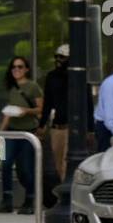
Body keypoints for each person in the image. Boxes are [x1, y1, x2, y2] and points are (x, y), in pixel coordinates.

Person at [0, 55, 43, 215]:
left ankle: (30, 199)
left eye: (20, 67)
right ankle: (7, 199)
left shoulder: (33, 86)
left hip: (27, 133)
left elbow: (40, 109)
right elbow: (8, 112)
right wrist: (0, 133)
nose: (16, 69)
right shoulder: (11, 87)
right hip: (11, 131)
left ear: (27, 69)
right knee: (5, 163)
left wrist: (26, 111)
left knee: (25, 169)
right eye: (14, 67)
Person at [42, 44, 70, 176]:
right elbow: (47, 101)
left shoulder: (78, 76)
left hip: (73, 127)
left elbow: (86, 101)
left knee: (67, 162)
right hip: (57, 126)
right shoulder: (51, 76)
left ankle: (67, 195)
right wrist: (42, 124)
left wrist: (90, 129)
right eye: (57, 57)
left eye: (62, 57)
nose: (58, 60)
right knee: (58, 163)